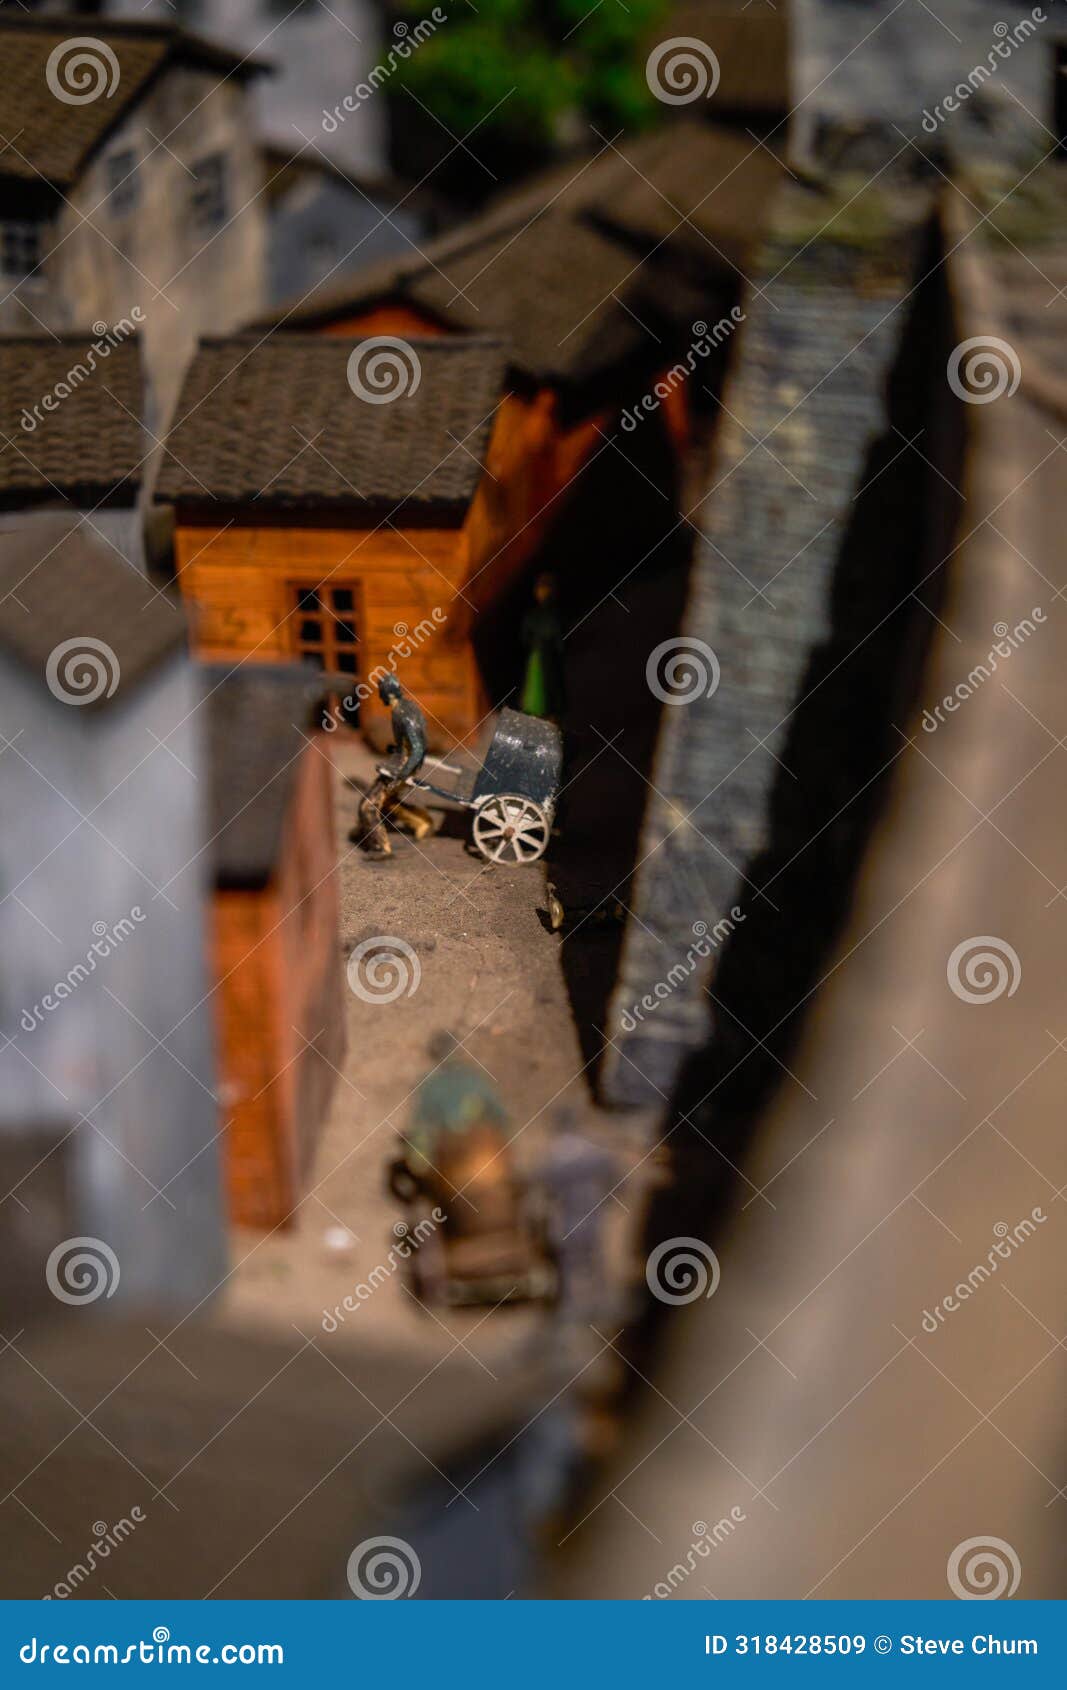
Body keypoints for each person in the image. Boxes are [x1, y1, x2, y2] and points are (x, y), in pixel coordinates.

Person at [355, 674, 429, 858]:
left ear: (388, 693)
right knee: (386, 800)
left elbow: (418, 748)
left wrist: (403, 774)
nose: (380, 697)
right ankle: (421, 822)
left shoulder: (403, 714)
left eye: (381, 693)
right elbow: (415, 742)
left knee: (367, 806)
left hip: (404, 765)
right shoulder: (406, 706)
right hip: (402, 760)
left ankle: (381, 848)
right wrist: (397, 748)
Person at [520, 572, 565, 721]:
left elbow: (560, 642)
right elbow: (526, 638)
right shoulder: (533, 616)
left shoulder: (554, 616)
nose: (543, 592)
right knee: (536, 703)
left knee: (550, 701)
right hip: (538, 661)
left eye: (546, 588)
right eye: (541, 588)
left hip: (549, 661)